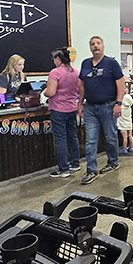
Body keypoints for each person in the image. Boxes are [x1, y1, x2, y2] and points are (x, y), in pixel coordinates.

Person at [78, 36, 125, 184]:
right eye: (92, 44)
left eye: (98, 43)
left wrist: (118, 103)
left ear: (103, 46)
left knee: (110, 137)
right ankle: (91, 170)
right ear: (90, 47)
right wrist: (80, 103)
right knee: (90, 140)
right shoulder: (85, 63)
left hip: (108, 106)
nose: (95, 46)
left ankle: (113, 162)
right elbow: (82, 86)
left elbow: (121, 85)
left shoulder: (111, 63)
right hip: (90, 107)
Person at [44, 47, 81, 178]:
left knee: (60, 139)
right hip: (72, 108)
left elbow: (51, 92)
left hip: (58, 109)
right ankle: (75, 164)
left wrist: (44, 91)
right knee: (72, 136)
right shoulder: (76, 72)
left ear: (58, 58)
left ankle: (63, 169)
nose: (54, 62)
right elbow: (78, 91)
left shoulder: (55, 72)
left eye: (54, 59)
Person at [117, 83, 133, 156]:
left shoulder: (121, 107)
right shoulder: (129, 107)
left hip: (122, 123)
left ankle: (124, 149)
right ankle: (131, 147)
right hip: (129, 122)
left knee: (124, 137)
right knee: (130, 135)